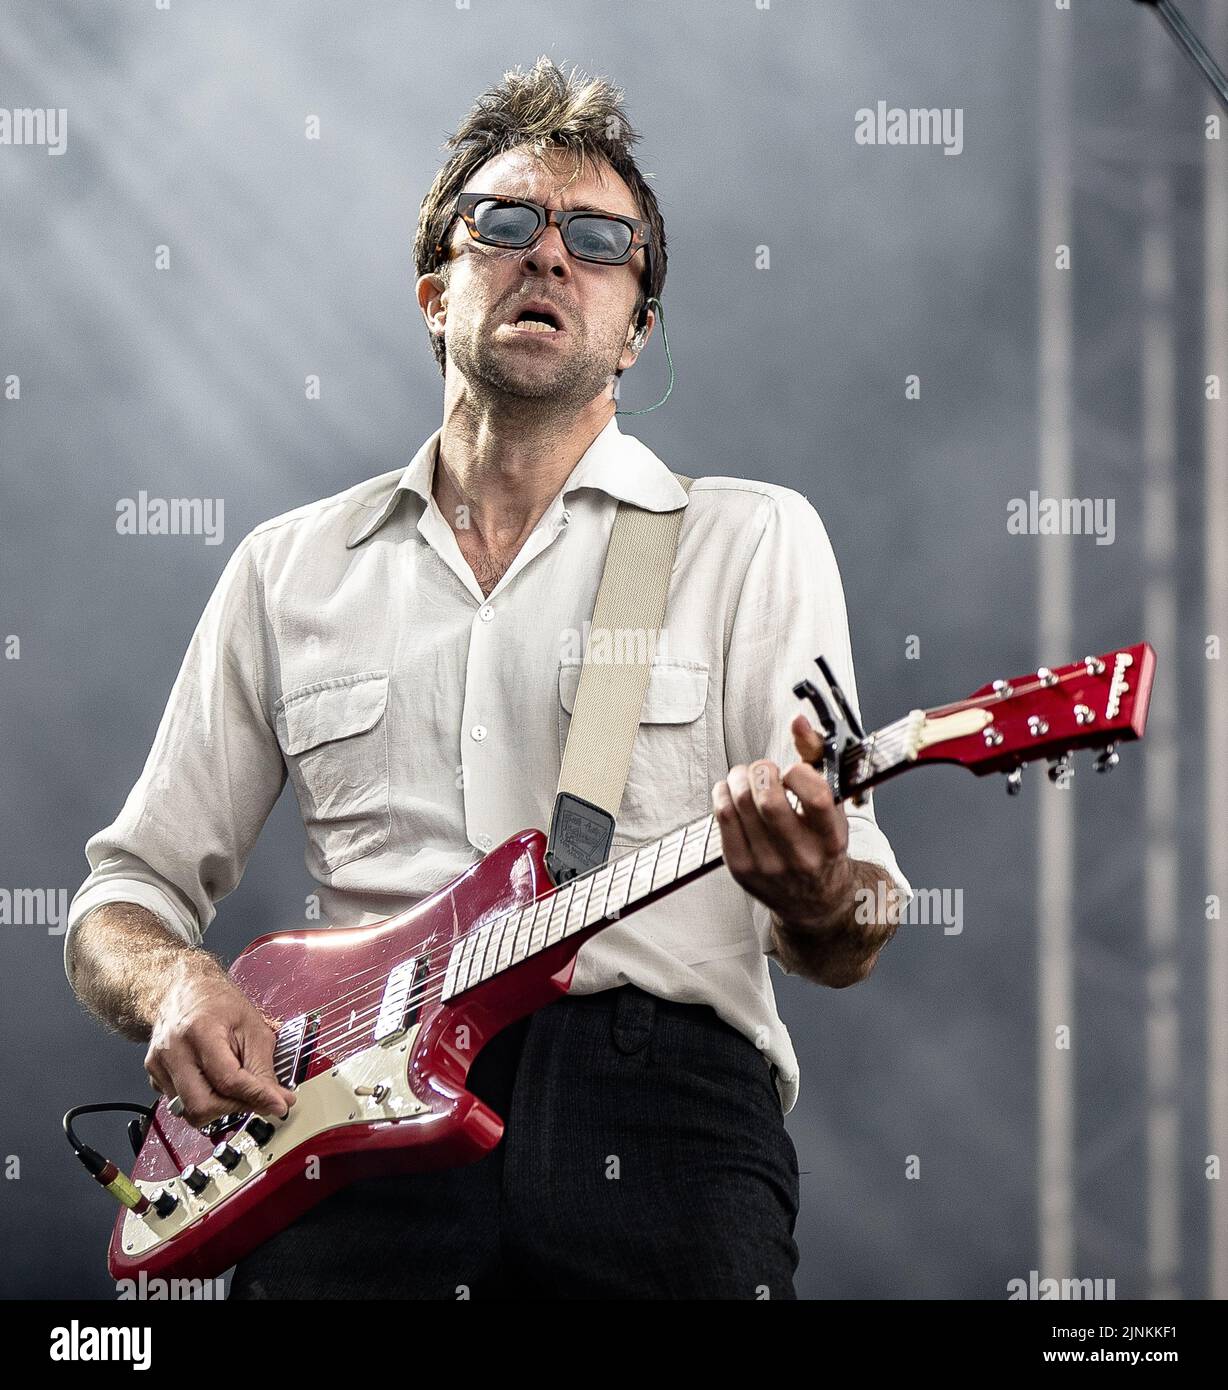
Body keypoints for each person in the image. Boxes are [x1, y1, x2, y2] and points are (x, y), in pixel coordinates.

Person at [64, 55, 912, 1300]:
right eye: (504, 223)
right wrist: (180, 980)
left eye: (601, 238)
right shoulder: (288, 568)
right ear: (433, 292)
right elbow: (115, 901)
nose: (549, 255)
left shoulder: (751, 538)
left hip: (659, 1119)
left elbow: (866, 927)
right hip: (342, 1148)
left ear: (638, 326)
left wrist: (823, 891)